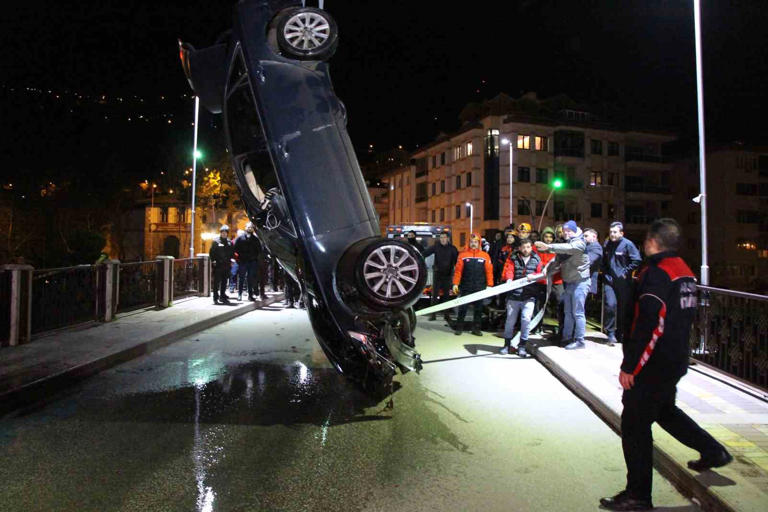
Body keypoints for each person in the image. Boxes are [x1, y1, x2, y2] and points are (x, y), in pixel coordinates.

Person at [600, 218, 732, 511]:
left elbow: (650, 324)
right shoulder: (683, 271)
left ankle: (638, 495)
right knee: (665, 411)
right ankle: (713, 451)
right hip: (675, 358)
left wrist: (631, 366)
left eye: (646, 239)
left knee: (634, 426)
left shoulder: (657, 274)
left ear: (653, 242)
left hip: (653, 363)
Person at [535, 220, 590, 350]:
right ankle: (566, 338)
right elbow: (557, 258)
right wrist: (546, 269)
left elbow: (569, 249)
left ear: (575, 230)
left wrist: (549, 247)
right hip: (570, 282)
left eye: (568, 231)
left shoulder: (579, 243)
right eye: (564, 231)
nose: (566, 233)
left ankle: (580, 340)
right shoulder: (568, 242)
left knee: (578, 313)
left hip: (580, 282)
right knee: (568, 312)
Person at [500, 238, 542, 357]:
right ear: (519, 248)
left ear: (531, 247)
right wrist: (509, 279)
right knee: (510, 321)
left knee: (526, 319)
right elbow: (509, 270)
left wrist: (534, 277)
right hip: (514, 295)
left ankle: (522, 346)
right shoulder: (513, 258)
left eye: (528, 247)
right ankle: (506, 345)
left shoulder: (536, 259)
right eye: (523, 247)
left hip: (529, 295)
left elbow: (541, 274)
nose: (525, 249)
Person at [603, 221, 642, 344]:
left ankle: (621, 333)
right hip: (609, 280)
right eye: (610, 232)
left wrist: (625, 272)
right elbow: (603, 261)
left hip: (624, 282)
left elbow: (637, 260)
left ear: (621, 233)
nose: (612, 234)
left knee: (623, 308)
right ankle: (610, 333)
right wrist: (605, 273)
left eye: (615, 232)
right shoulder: (607, 243)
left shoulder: (628, 244)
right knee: (610, 305)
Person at [452, 233, 493, 336]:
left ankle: (476, 329)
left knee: (478, 309)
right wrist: (455, 284)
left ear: (479, 243)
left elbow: (489, 271)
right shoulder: (462, 255)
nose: (473, 244)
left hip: (480, 286)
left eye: (475, 242)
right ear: (468, 243)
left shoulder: (485, 256)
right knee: (463, 308)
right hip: (466, 286)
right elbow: (458, 271)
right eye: (471, 242)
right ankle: (459, 328)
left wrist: (490, 285)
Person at [422, 232, 458, 322]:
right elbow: (426, 253)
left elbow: (458, 261)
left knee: (446, 296)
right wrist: (418, 256)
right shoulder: (436, 247)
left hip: (448, 275)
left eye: (444, 237)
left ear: (448, 238)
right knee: (434, 295)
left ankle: (446, 315)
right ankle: (433, 314)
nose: (442, 239)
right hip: (437, 274)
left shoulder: (452, 249)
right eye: (441, 237)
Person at [234, 222, 262, 301]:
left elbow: (259, 250)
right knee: (241, 278)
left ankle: (250, 295)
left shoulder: (255, 239)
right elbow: (235, 249)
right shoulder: (240, 238)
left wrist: (255, 259)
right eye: (248, 227)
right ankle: (239, 295)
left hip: (252, 261)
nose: (250, 228)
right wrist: (239, 258)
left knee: (250, 279)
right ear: (245, 228)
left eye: (251, 227)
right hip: (242, 261)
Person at [209, 224, 233, 304]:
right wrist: (213, 261)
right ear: (220, 232)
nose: (224, 233)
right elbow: (211, 252)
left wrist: (232, 260)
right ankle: (215, 297)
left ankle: (222, 296)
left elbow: (231, 253)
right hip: (218, 265)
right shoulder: (216, 241)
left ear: (227, 233)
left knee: (224, 282)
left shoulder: (229, 242)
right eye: (222, 232)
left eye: (225, 232)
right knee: (216, 282)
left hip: (226, 265)